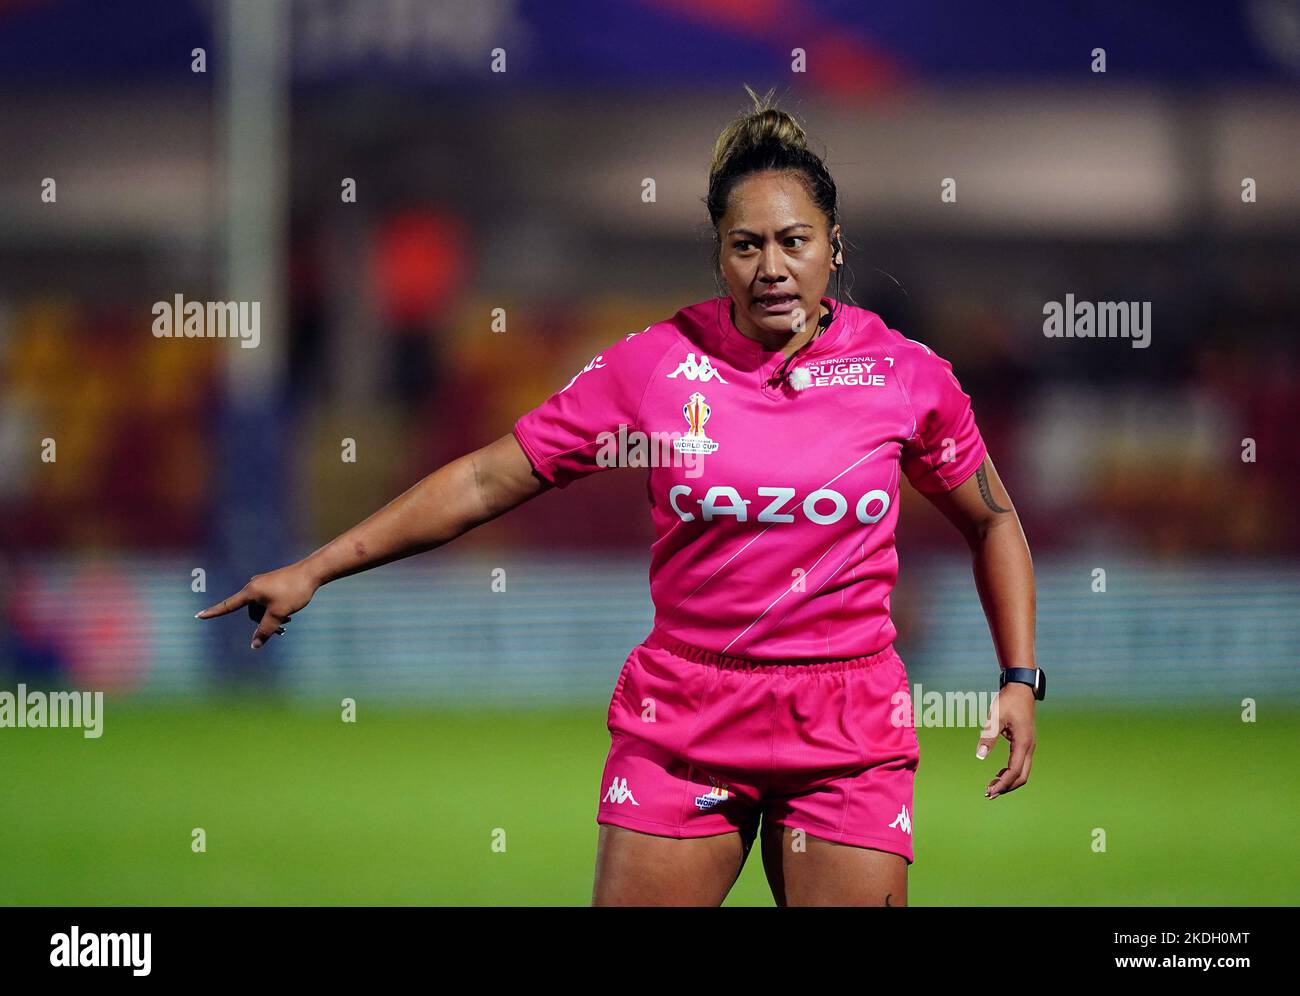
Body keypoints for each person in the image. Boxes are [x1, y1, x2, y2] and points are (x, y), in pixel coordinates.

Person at [197, 86, 1041, 907]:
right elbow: (489, 478)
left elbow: (993, 520)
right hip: (687, 717)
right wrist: (315, 568)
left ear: (835, 245)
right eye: (746, 245)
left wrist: (1017, 677)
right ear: (719, 253)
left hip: (849, 723)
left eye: (795, 241)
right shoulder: (654, 368)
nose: (772, 268)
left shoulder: (905, 377)